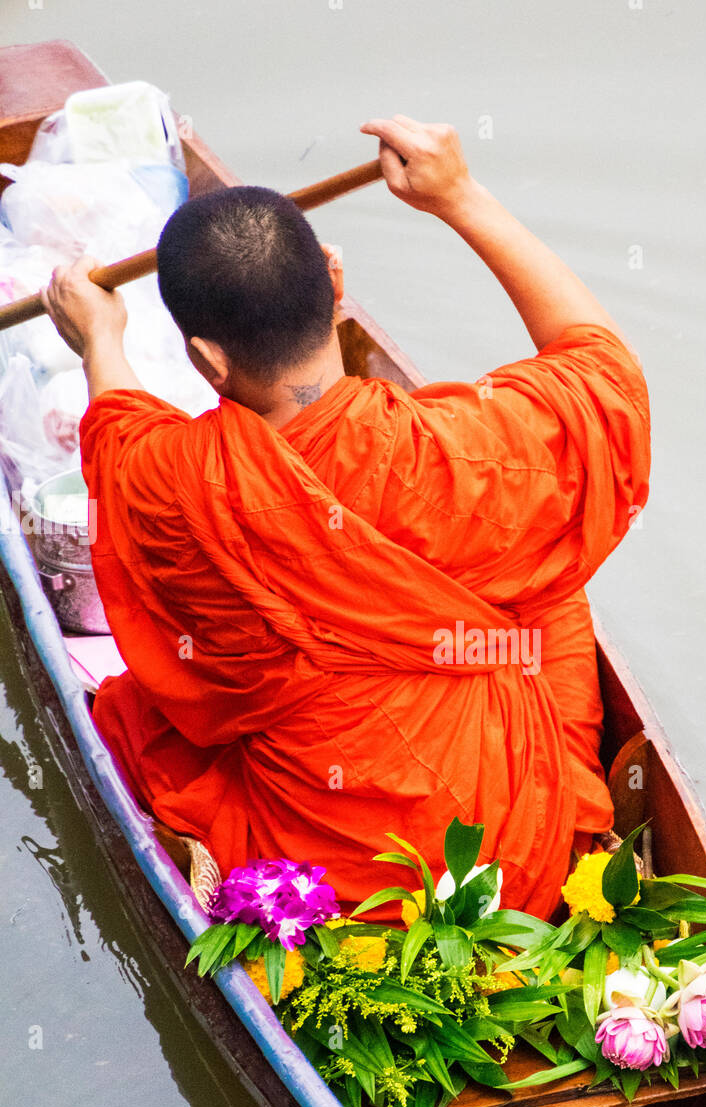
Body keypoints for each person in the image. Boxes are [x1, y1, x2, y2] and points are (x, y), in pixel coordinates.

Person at [41, 115, 650, 919]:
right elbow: (602, 369)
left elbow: (117, 427)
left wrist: (99, 335)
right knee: (545, 581)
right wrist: (460, 197)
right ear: (335, 285)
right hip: (517, 854)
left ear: (205, 360)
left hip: (340, 882)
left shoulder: (172, 480)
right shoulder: (466, 452)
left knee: (143, 708)